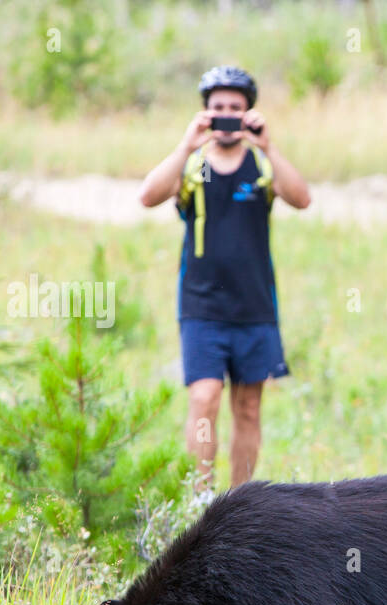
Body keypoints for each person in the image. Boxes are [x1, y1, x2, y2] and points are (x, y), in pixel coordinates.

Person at [139, 65, 311, 492]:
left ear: (250, 113)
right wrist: (185, 145)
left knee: (249, 408)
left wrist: (269, 147)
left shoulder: (262, 166)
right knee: (204, 398)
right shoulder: (194, 167)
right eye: (218, 108)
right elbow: (147, 196)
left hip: (255, 307)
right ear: (205, 113)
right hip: (202, 307)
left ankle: (240, 505)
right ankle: (202, 502)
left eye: (236, 108)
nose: (227, 116)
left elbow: (303, 199)